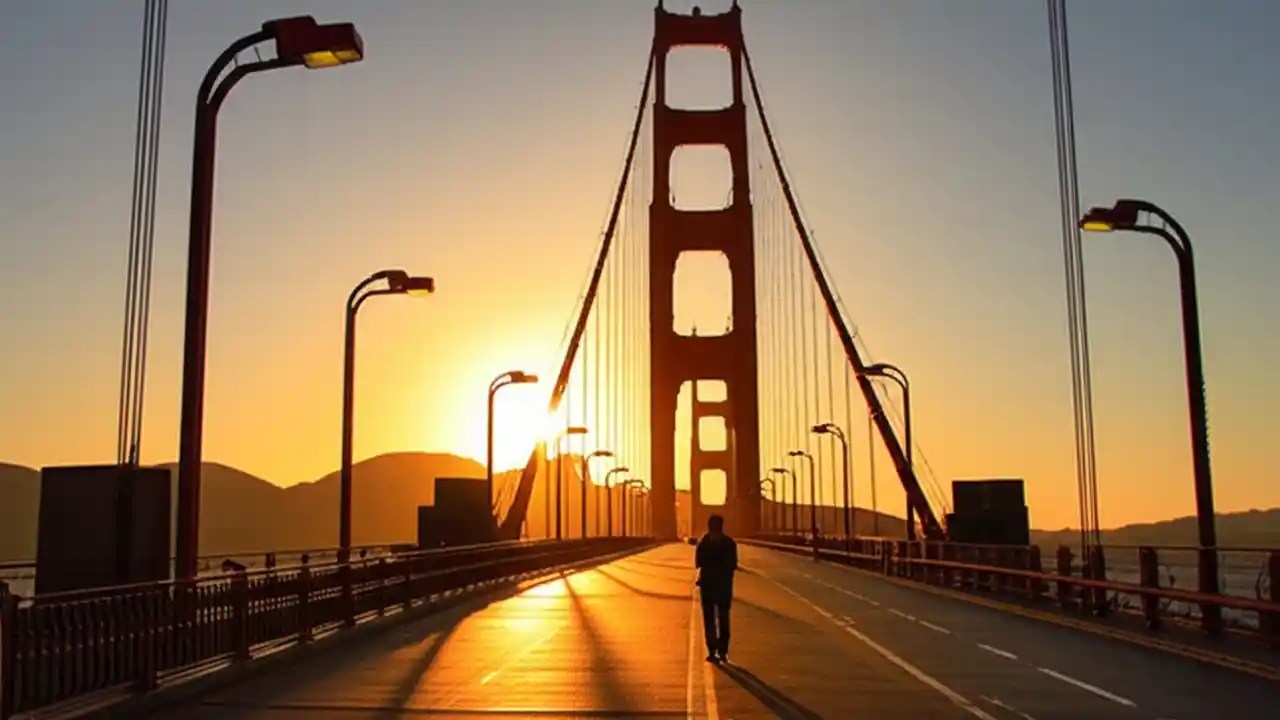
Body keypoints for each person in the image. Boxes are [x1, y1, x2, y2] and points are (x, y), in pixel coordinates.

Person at [695, 513, 737, 663]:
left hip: (707, 586)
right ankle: (723, 651)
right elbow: (732, 565)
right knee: (723, 618)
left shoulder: (703, 543)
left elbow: (698, 564)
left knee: (709, 618)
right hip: (724, 586)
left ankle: (712, 650)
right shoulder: (729, 544)